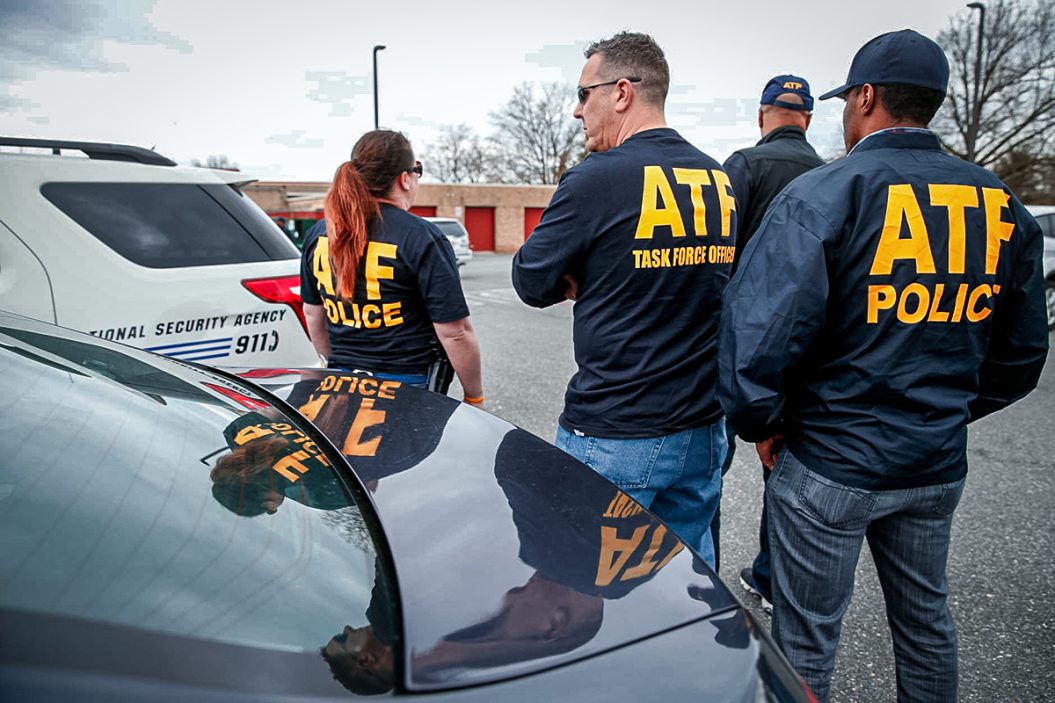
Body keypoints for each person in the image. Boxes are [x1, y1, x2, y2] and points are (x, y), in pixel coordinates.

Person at [718, 29, 1049, 703]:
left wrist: (765, 424)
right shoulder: (1001, 206)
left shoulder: (825, 193)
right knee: (926, 625)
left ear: (864, 97)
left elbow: (758, 338)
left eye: (846, 101)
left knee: (806, 638)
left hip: (831, 462)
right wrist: (942, 408)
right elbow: (1019, 357)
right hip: (932, 463)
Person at [511, 32, 736, 566]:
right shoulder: (717, 177)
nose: (575, 110)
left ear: (622, 92)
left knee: (589, 588)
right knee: (689, 587)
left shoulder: (598, 179)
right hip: (702, 427)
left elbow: (530, 280)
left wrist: (583, 271)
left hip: (617, 429)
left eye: (584, 93)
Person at [714, 74, 824, 606]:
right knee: (783, 461)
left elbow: (716, 254)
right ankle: (773, 572)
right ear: (808, 118)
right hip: (808, 345)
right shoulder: (832, 174)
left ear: (762, 115)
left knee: (714, 459)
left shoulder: (743, 166)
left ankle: (700, 573)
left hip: (742, 340)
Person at [300, 130, 484, 406]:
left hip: (341, 383)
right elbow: (455, 333)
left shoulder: (321, 234)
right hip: (406, 385)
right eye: (417, 170)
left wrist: (334, 365)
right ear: (404, 178)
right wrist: (474, 395)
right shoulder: (421, 237)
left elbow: (314, 314)